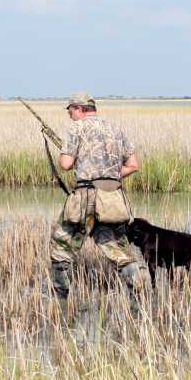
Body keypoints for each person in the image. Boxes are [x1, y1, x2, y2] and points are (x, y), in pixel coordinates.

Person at [47, 91, 150, 301]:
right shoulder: (116, 128)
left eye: (70, 111)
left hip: (86, 198)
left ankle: (60, 297)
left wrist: (81, 165)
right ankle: (138, 289)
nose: (69, 115)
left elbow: (66, 165)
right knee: (114, 246)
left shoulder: (77, 127)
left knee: (62, 245)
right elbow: (133, 165)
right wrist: (107, 175)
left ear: (79, 108)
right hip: (113, 198)